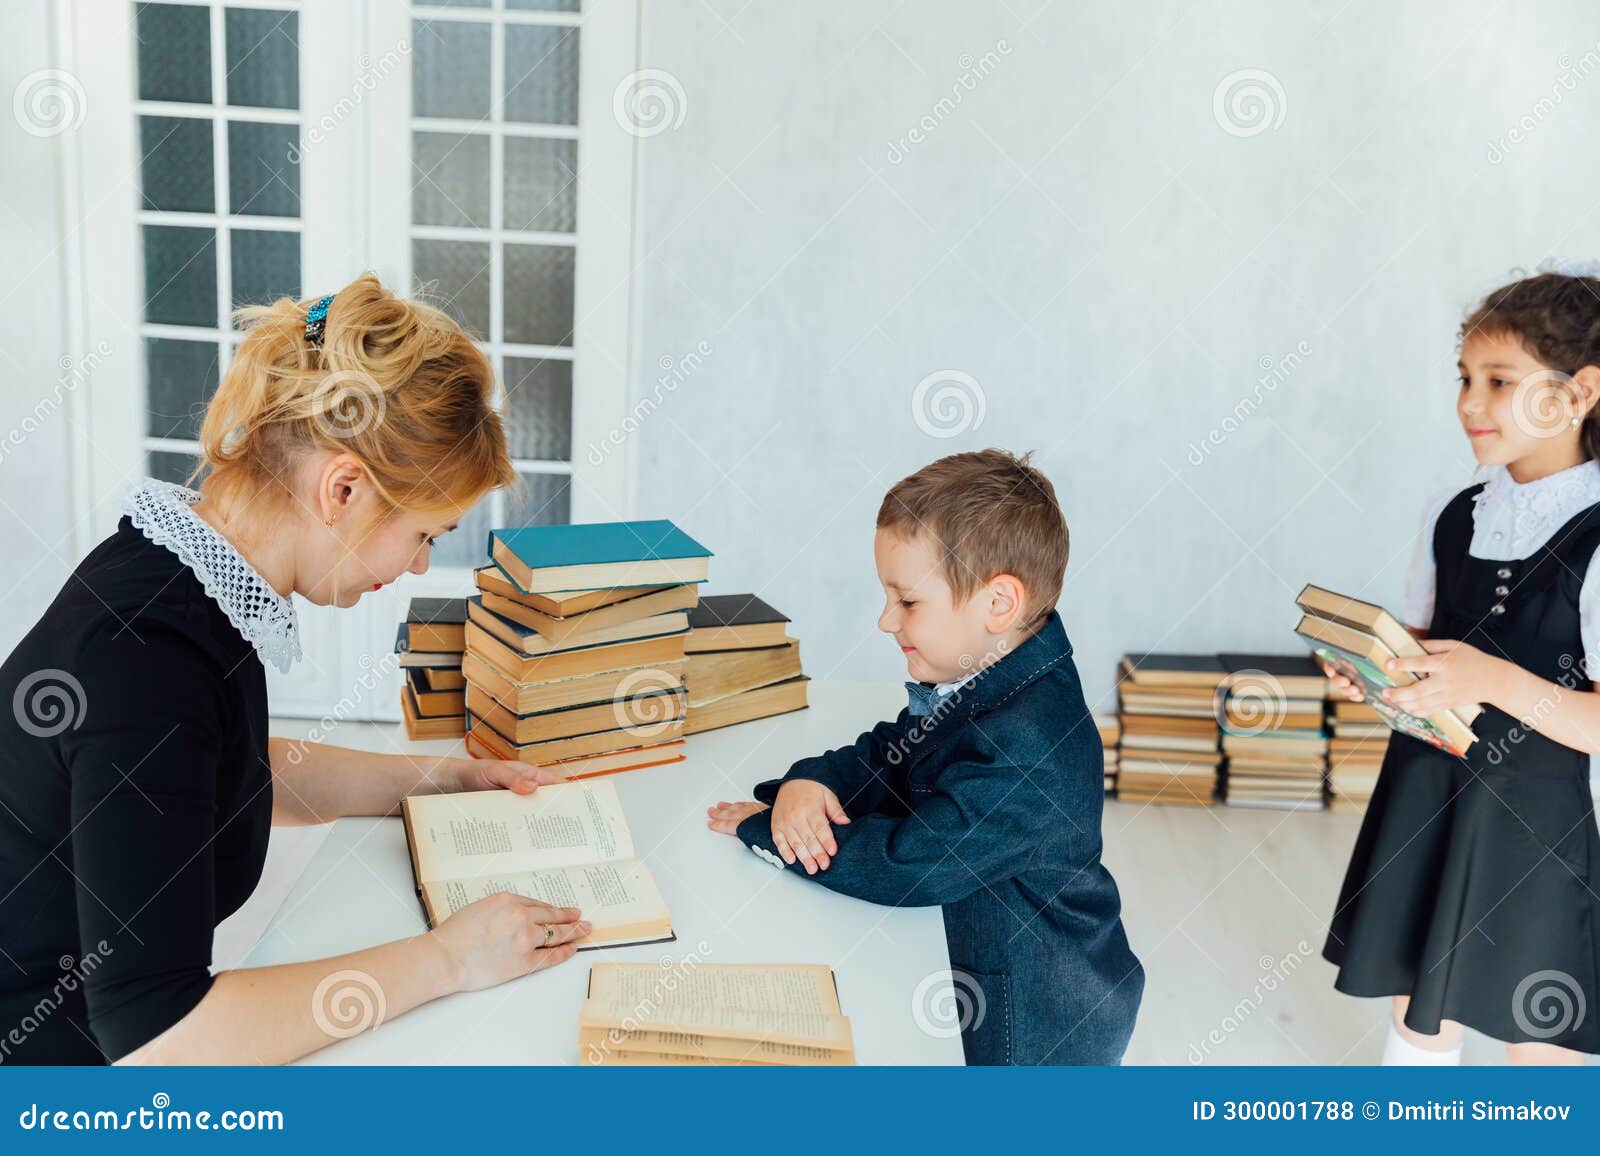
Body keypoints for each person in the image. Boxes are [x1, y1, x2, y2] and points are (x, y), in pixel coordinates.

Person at [0, 274, 588, 1065]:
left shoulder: (181, 573)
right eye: (425, 535)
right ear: (343, 488)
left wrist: (431, 779)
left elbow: (216, 773)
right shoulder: (147, 659)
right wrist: (449, 960)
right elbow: (159, 1036)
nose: (417, 566)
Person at [707, 449, 1144, 1064]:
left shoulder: (1029, 747)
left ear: (998, 605)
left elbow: (914, 863)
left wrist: (777, 834)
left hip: (1042, 1023)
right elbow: (897, 755)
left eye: (907, 601)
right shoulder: (993, 673)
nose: (885, 620)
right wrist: (806, 786)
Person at [1322, 267, 1600, 1065]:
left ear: (1579, 393)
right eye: (1465, 379)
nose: (1470, 404)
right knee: (1418, 1008)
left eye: (1499, 381)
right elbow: (1426, 658)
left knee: (1537, 1029)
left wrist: (1494, 680)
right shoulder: (1453, 515)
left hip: (1534, 826)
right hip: (1426, 797)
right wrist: (1377, 674)